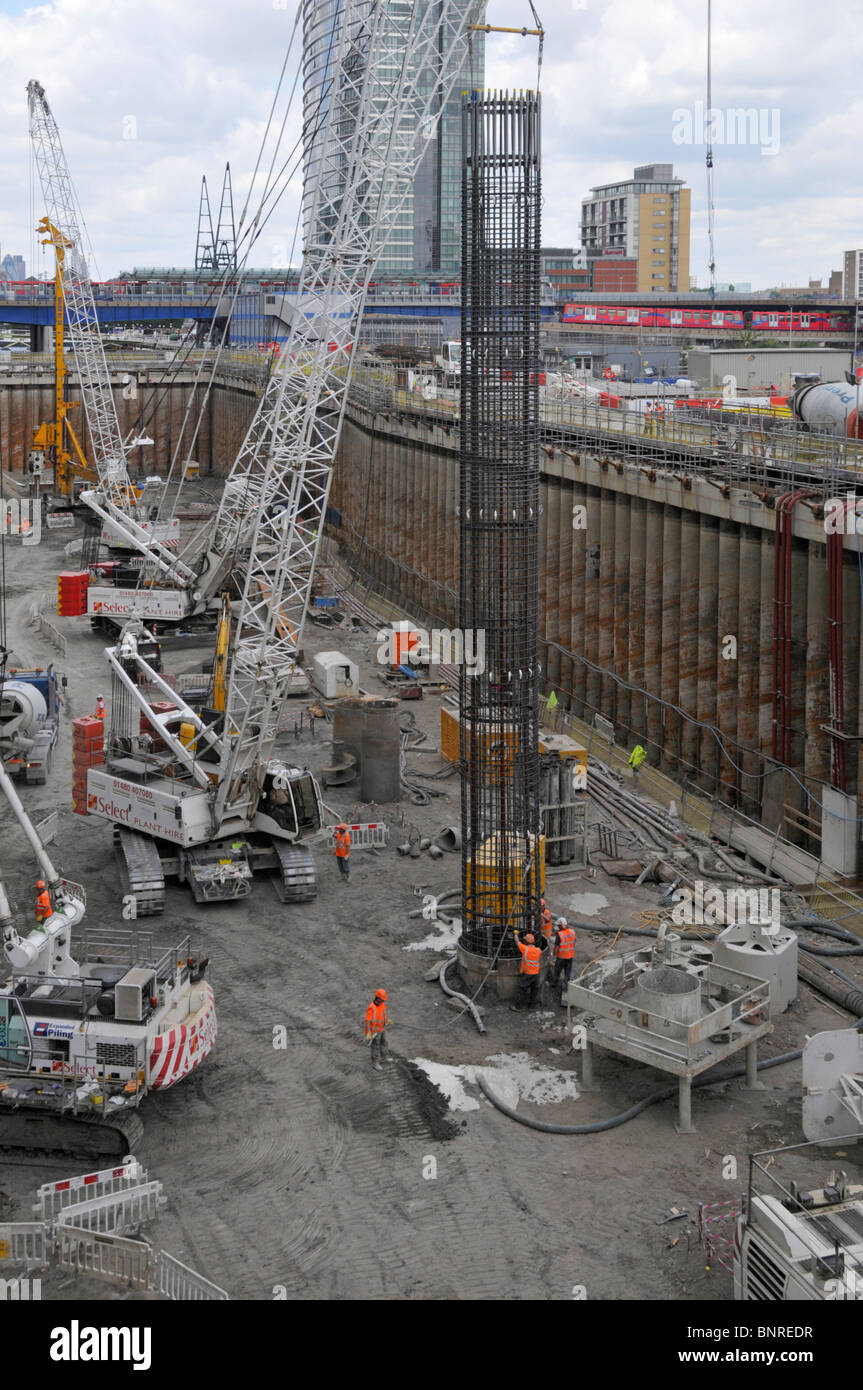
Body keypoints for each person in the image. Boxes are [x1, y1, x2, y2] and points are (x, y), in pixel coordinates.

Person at [511, 929, 542, 1011]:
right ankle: (532, 1007)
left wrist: (515, 934)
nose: (524, 941)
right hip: (536, 973)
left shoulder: (525, 949)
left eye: (525, 940)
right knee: (534, 990)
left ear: (527, 942)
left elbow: (517, 942)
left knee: (522, 989)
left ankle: (518, 1007)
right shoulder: (539, 951)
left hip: (528, 974)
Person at [364, 988, 393, 1071]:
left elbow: (383, 1015)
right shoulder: (371, 1008)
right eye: (382, 999)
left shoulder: (382, 1005)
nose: (383, 1001)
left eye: (384, 1000)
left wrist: (387, 1020)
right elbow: (368, 1021)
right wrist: (369, 1032)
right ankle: (375, 1062)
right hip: (374, 1031)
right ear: (377, 998)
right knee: (375, 1046)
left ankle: (384, 1057)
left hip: (382, 1028)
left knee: (384, 1042)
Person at [551, 918, 577, 998]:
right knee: (567, 973)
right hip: (570, 956)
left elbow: (556, 947)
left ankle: (554, 984)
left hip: (561, 957)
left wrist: (554, 956)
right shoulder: (572, 932)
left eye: (559, 926)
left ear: (561, 925)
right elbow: (574, 942)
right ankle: (566, 987)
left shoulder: (560, 934)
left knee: (557, 971)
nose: (558, 927)